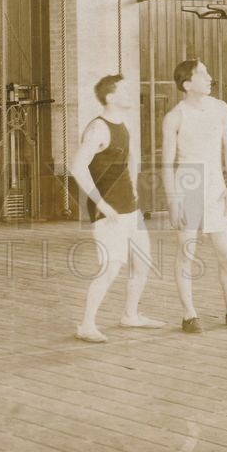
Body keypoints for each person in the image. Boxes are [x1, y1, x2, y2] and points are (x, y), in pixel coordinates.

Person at [161, 59, 227, 334]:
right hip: (188, 184)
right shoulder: (175, 117)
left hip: (216, 185)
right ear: (187, 84)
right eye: (202, 74)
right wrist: (173, 201)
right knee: (187, 251)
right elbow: (167, 163)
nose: (209, 77)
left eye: (207, 72)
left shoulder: (220, 108)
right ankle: (189, 315)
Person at [69, 73, 165, 343]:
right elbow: (76, 166)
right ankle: (86, 325)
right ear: (110, 97)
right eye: (124, 90)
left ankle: (130, 315)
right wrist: (101, 203)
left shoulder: (122, 123)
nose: (130, 92)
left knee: (142, 261)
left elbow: (130, 161)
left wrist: (133, 188)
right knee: (110, 267)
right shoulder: (98, 128)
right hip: (108, 210)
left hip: (128, 207)